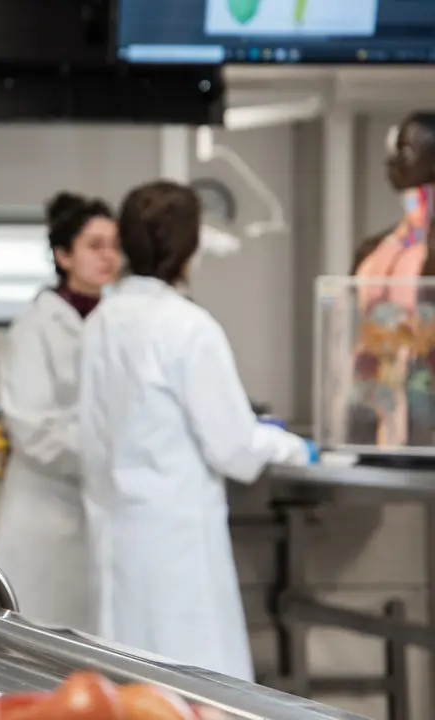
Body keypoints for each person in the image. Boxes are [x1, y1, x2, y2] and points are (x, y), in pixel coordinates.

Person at [78, 180, 316, 681]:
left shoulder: (102, 320)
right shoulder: (189, 327)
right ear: (189, 247)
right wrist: (292, 446)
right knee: (194, 688)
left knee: (129, 689)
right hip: (176, 543)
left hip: (117, 532)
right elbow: (234, 447)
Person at [0, 192, 121, 631]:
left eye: (115, 245)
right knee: (37, 632)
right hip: (46, 509)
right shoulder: (35, 326)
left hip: (100, 506)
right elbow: (32, 427)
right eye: (94, 245)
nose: (108, 256)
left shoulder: (121, 321)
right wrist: (107, 457)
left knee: (97, 642)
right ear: (63, 254)